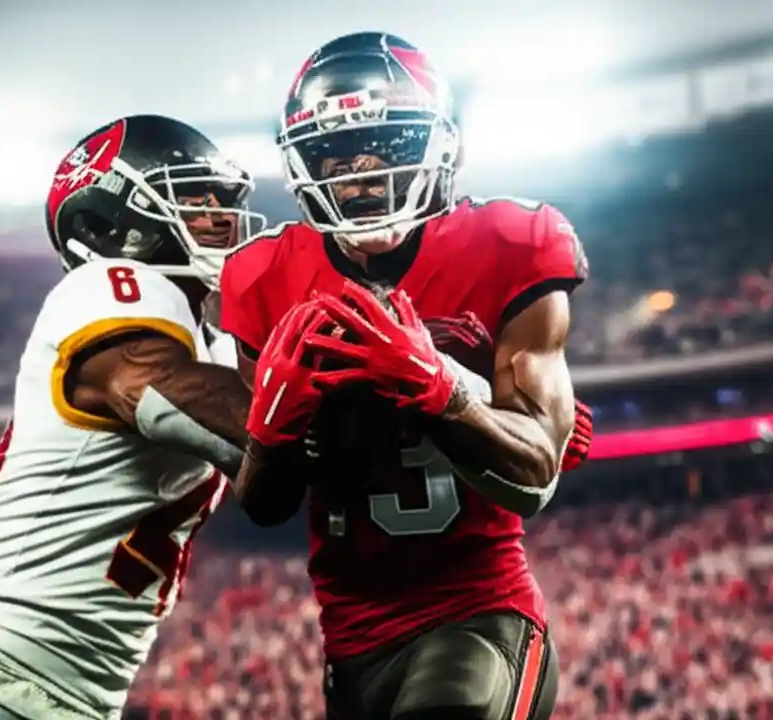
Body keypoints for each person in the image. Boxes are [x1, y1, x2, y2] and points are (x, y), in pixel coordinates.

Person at [219, 32, 591, 720]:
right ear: (301, 163)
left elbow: (539, 472)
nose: (361, 176)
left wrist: (442, 389)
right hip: (349, 638)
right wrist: (273, 430)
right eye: (337, 154)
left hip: (480, 611)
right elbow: (265, 505)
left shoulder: (510, 243)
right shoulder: (264, 276)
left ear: (441, 145)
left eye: (387, 146)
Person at [0, 114, 265, 720]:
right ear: (114, 221)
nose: (220, 217)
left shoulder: (211, 342)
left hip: (78, 697)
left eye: (223, 200)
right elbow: (157, 389)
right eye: (193, 198)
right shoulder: (108, 286)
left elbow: (278, 479)